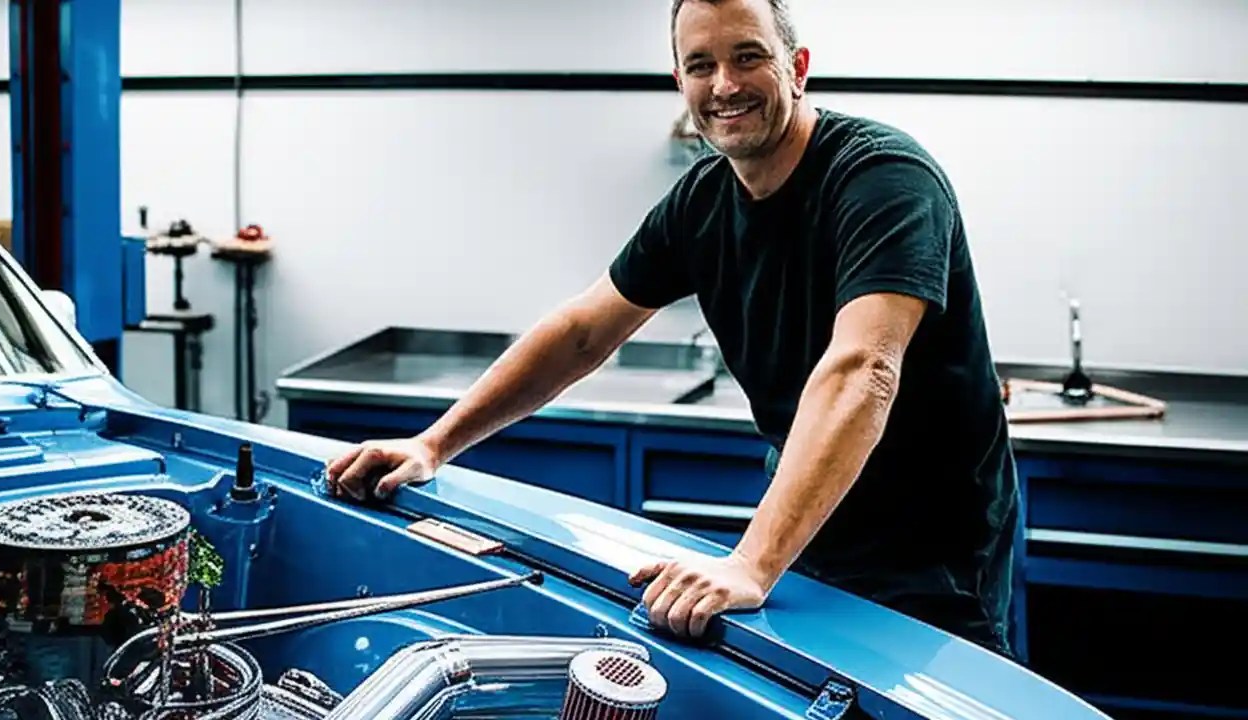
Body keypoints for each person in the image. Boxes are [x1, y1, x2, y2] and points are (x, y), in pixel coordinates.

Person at [326, 0, 1019, 659]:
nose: (725, 84)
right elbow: (582, 330)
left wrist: (750, 561)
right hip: (810, 526)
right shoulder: (703, 200)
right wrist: (433, 444)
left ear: (798, 68)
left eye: (749, 57)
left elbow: (864, 367)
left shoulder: (882, 177)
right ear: (680, 81)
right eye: (701, 65)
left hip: (935, 549)